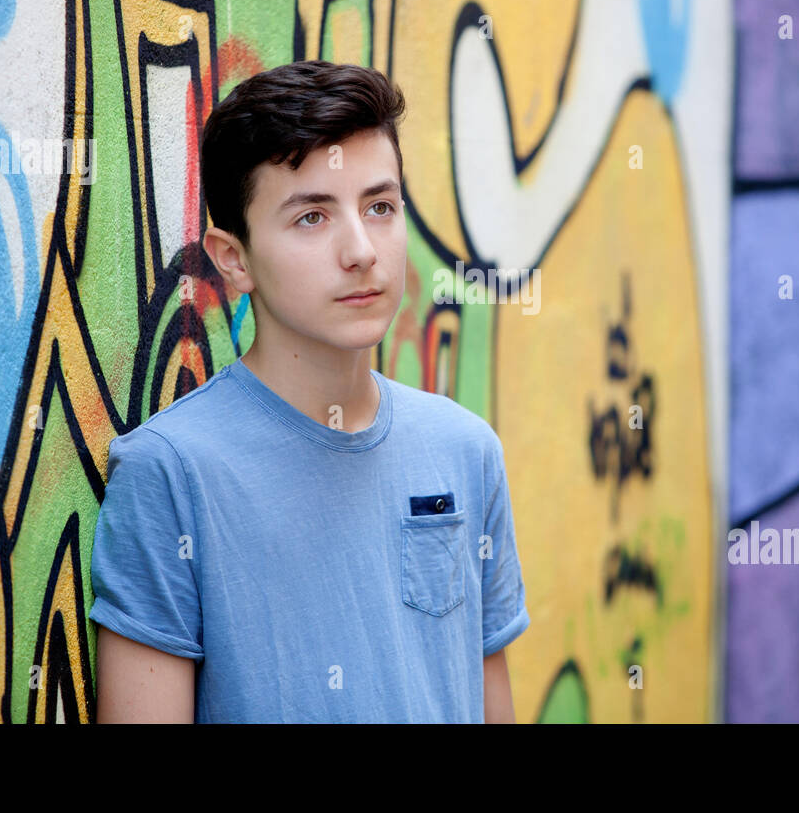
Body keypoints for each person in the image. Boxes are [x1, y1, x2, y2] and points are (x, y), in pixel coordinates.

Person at [88, 60, 529, 723]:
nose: (362, 251)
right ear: (234, 258)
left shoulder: (465, 450)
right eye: (313, 217)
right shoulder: (172, 473)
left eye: (380, 207)